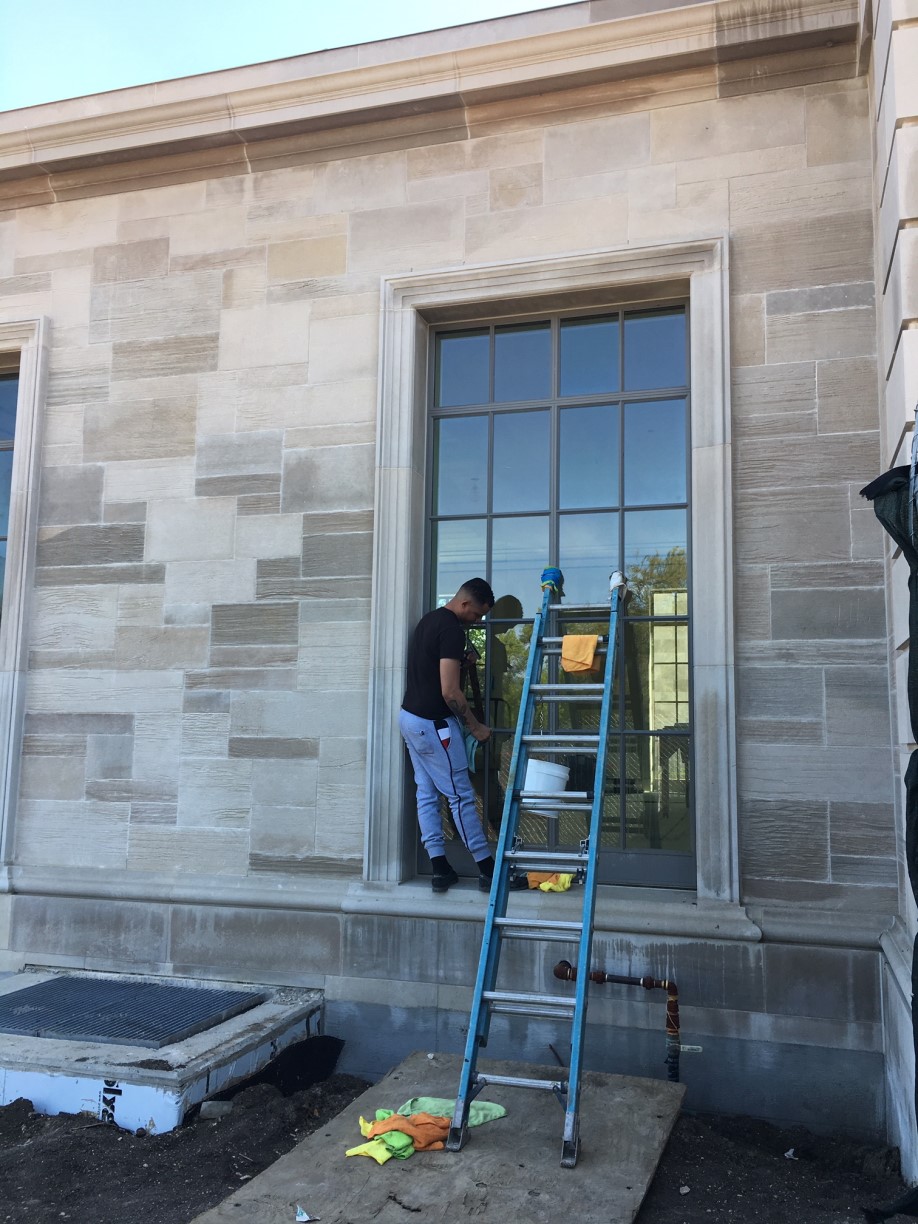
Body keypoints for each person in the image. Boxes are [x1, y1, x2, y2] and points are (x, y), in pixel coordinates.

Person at [400, 578, 497, 893]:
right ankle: (488, 869)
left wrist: (463, 660)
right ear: (466, 603)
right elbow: (450, 691)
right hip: (435, 724)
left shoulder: (430, 620)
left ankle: (440, 868)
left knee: (426, 793)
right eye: (478, 615)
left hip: (410, 718)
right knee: (460, 795)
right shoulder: (452, 630)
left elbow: (432, 670)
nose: (478, 621)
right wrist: (474, 725)